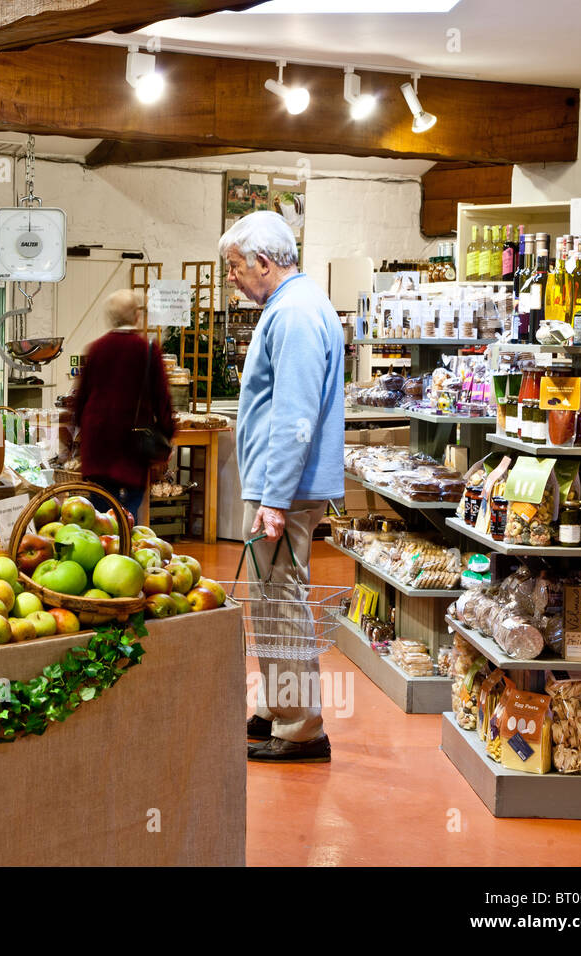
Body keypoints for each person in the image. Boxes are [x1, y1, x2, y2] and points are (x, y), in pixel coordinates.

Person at [221, 210, 344, 764]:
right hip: (281, 485)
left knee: (284, 600)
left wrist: (273, 499)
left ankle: (301, 725)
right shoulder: (294, 305)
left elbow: (295, 413)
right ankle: (276, 704)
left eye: (234, 267)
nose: (230, 277)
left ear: (263, 262)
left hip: (285, 491)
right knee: (270, 601)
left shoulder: (293, 313)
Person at [70, 289, 175, 519]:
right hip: (131, 448)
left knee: (99, 515)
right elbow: (162, 400)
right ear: (137, 315)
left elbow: (81, 398)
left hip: (97, 449)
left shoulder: (96, 348)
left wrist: (79, 434)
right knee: (127, 516)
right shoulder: (147, 350)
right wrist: (167, 436)